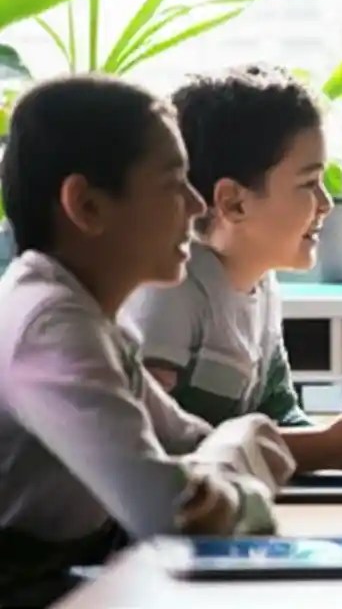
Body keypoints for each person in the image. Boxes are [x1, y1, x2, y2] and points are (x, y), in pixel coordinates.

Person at [0, 76, 293, 605]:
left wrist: (229, 454)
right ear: (87, 206)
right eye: (173, 183)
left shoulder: (90, 313)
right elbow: (170, 512)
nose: (197, 205)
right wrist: (240, 470)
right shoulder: (50, 325)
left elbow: (189, 439)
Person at [123, 65, 342, 472]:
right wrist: (329, 445)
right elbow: (153, 441)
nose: (326, 204)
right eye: (308, 184)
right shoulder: (171, 290)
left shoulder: (262, 285)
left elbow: (281, 416)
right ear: (234, 203)